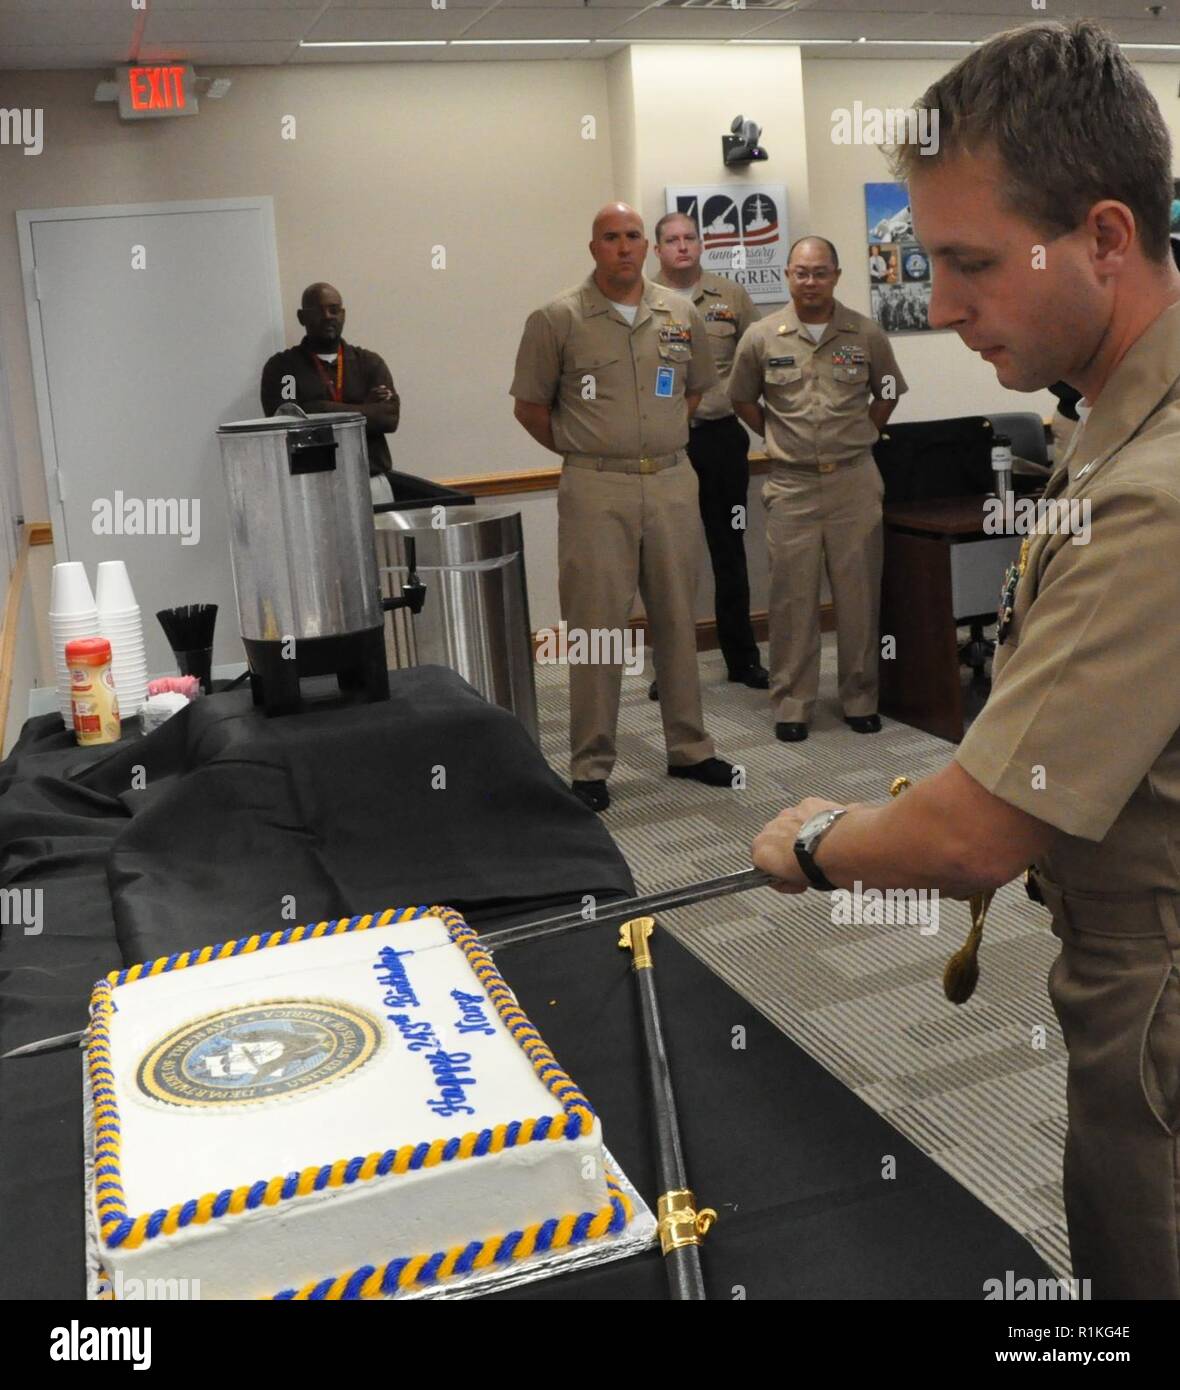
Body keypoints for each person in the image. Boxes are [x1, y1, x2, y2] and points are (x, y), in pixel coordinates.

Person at [750, 19, 1180, 1300]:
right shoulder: (1117, 426)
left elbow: (973, 837)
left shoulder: (1152, 492)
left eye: (969, 263)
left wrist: (817, 844)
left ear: (1103, 238)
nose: (937, 308)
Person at [510, 203, 736, 813]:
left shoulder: (679, 312)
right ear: (594, 249)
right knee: (595, 630)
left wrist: (653, 440)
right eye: (610, 237)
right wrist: (590, 448)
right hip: (595, 490)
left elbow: (693, 391)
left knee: (677, 618)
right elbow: (530, 407)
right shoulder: (556, 318)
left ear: (647, 246)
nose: (624, 247)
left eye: (633, 236)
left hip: (670, 482)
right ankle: (590, 764)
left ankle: (689, 747)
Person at [729, 236, 907, 742]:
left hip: (854, 480)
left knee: (859, 598)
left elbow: (888, 390)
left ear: (836, 275)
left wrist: (867, 432)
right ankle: (793, 703)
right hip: (792, 485)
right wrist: (774, 435)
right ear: (787, 275)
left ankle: (860, 697)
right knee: (791, 601)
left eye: (820, 272)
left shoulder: (865, 333)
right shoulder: (762, 336)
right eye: (801, 272)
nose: (811, 282)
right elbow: (742, 398)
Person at [650, 211, 768, 695]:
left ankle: (741, 658)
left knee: (729, 550)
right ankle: (671, 670)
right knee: (666, 560)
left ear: (702, 245)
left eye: (690, 238)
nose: (682, 246)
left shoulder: (730, 297)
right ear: (657, 250)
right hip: (664, 445)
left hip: (719, 437)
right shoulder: (641, 301)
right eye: (671, 240)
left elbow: (759, 357)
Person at [260, 282, 400, 504]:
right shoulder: (282, 368)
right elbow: (288, 424)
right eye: (317, 310)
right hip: (310, 487)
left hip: (370, 482)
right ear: (301, 317)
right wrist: (365, 409)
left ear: (343, 314)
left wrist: (320, 408)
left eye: (334, 309)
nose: (327, 316)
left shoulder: (369, 363)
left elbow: (389, 418)